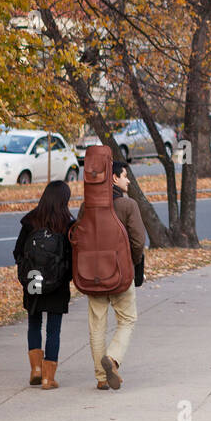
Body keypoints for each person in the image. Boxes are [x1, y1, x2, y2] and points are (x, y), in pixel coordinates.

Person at [87, 162, 147, 391]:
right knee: (127, 319)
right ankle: (112, 359)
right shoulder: (128, 205)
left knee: (97, 325)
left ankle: (101, 378)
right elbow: (138, 241)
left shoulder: (87, 207)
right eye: (125, 176)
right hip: (121, 274)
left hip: (93, 274)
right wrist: (130, 262)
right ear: (113, 179)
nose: (128, 180)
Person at [13, 180, 73, 390]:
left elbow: (17, 251)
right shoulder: (67, 223)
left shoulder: (30, 220)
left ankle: (35, 370)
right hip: (57, 284)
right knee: (53, 331)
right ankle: (48, 378)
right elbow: (71, 256)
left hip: (33, 280)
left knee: (34, 323)